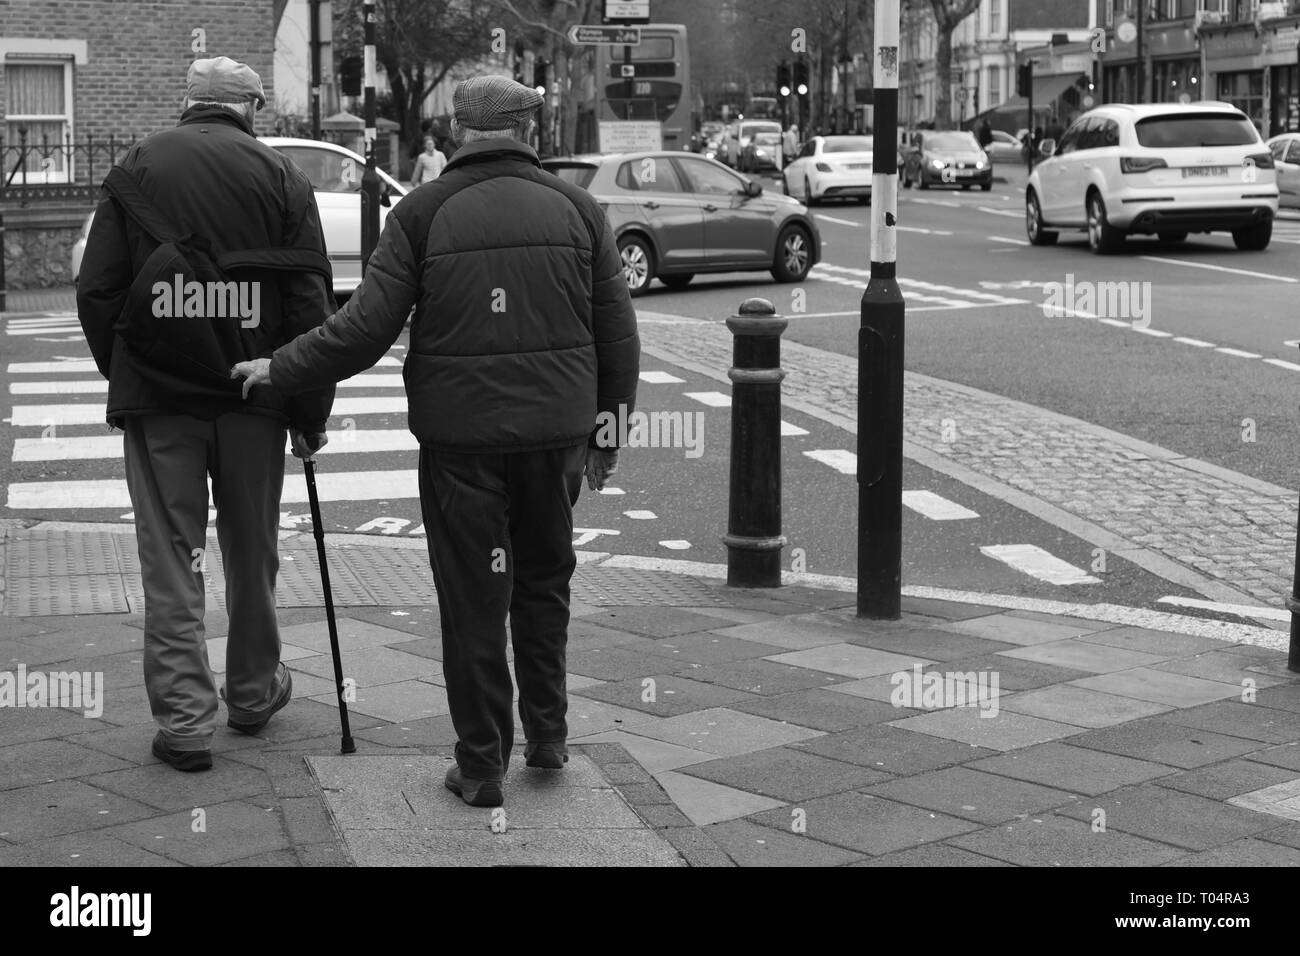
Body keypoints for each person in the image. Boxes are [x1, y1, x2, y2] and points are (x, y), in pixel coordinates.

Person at [232, 74, 640, 808]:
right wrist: (607, 435)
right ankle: (548, 735)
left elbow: (363, 329)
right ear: (529, 131)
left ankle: (481, 766)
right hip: (557, 440)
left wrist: (281, 366)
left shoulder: (422, 212)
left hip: (462, 442)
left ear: (458, 131)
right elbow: (618, 335)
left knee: (474, 597)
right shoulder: (580, 210)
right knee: (546, 584)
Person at [77, 56, 336, 772]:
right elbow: (309, 302)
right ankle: (253, 694)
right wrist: (308, 410)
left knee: (171, 560)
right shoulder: (283, 177)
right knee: (252, 552)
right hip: (255, 399)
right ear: (252, 107)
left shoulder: (136, 167)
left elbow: (98, 291)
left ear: (187, 102)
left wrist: (127, 370)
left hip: (161, 401)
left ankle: (186, 722)